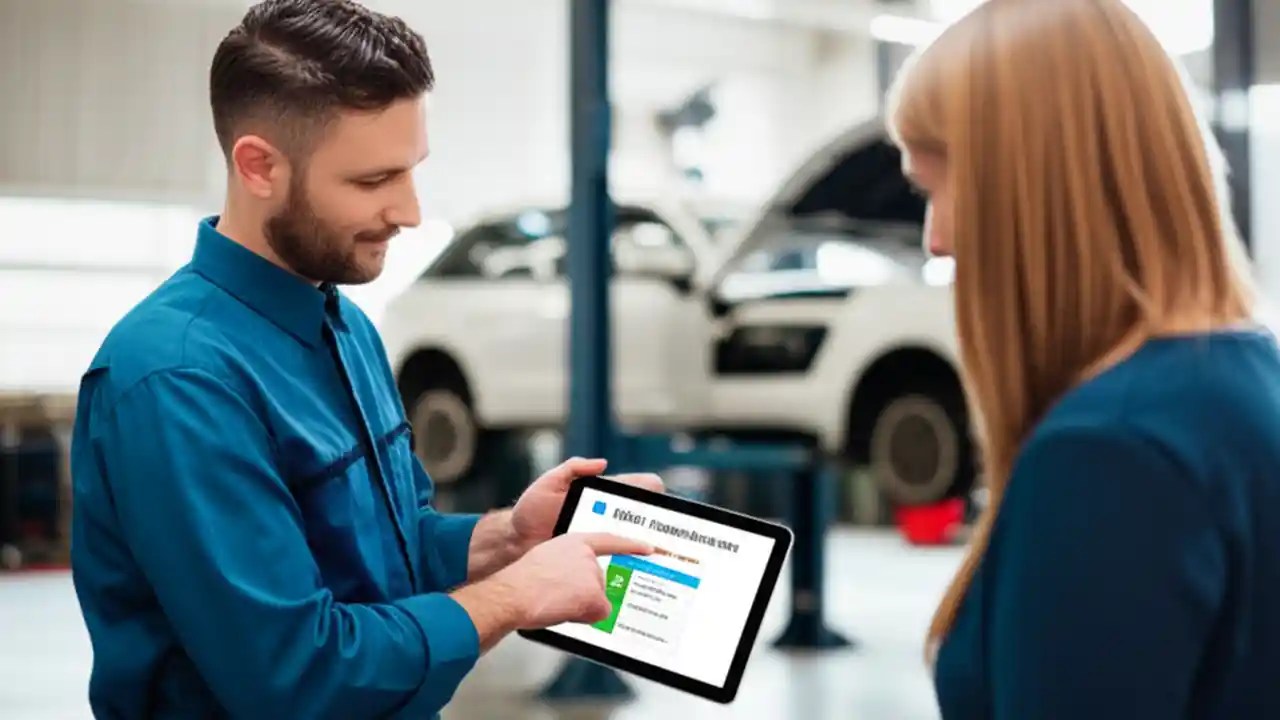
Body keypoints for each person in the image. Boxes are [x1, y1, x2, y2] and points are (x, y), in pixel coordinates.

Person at [68, 1, 662, 718]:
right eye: (373, 182)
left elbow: (391, 550)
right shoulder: (178, 378)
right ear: (259, 167)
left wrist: (507, 538)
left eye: (411, 171)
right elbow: (297, 677)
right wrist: (513, 595)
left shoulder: (346, 326)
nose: (410, 212)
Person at [885, 0, 1280, 717]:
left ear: (1035, 187)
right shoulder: (1247, 380)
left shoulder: (1106, 456)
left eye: (938, 185)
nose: (934, 238)